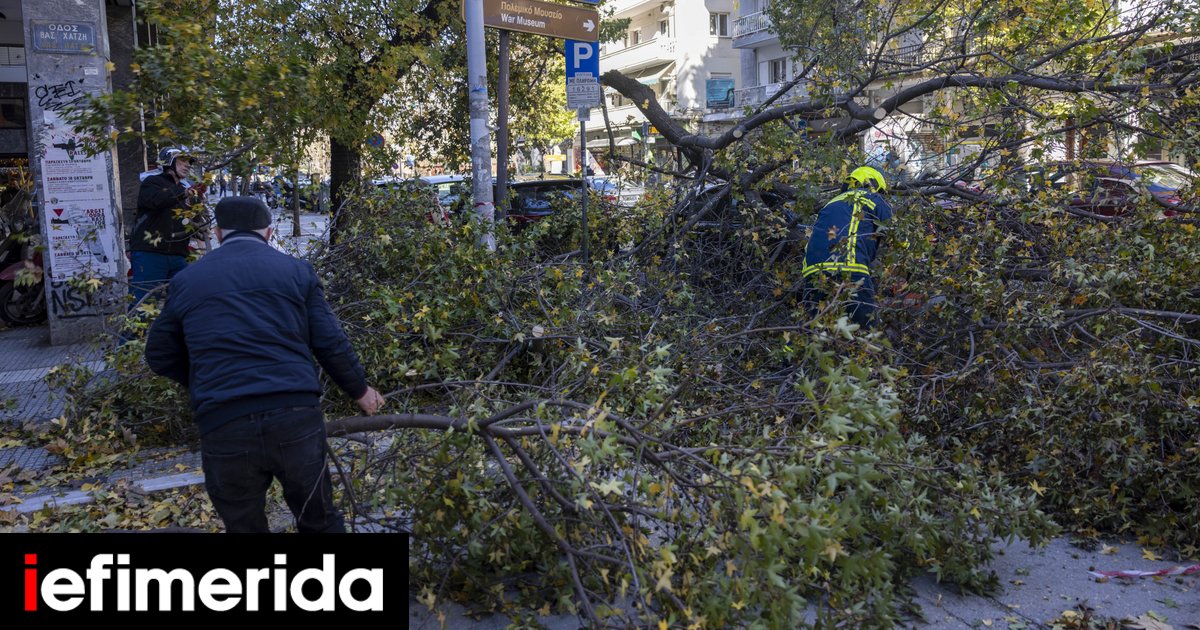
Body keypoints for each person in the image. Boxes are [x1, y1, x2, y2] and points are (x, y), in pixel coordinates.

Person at [144, 196, 385, 533]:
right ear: (269, 233)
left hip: (224, 423)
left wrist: (209, 380)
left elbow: (158, 354)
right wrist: (360, 391)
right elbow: (330, 342)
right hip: (294, 416)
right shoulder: (296, 271)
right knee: (319, 521)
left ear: (217, 233)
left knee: (244, 528)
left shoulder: (187, 280)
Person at [801, 166, 894, 328]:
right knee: (866, 329)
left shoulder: (831, 203)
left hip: (813, 271)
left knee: (815, 329)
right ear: (876, 185)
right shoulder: (871, 198)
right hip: (849, 267)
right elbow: (895, 232)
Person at [130, 147, 203, 305]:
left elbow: (195, 224)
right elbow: (157, 200)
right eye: (182, 160)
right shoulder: (152, 182)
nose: (187, 165)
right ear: (168, 162)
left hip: (178, 255)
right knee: (144, 305)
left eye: (189, 162)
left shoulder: (185, 190)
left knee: (186, 301)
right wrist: (183, 194)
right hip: (151, 253)